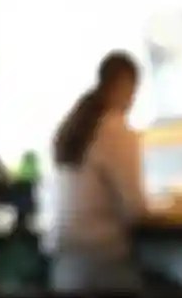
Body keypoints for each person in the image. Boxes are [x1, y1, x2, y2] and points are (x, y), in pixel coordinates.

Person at [43, 51, 148, 274]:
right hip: (101, 258)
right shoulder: (116, 130)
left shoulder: (73, 127)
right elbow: (136, 209)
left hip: (61, 264)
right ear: (125, 86)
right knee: (169, 289)